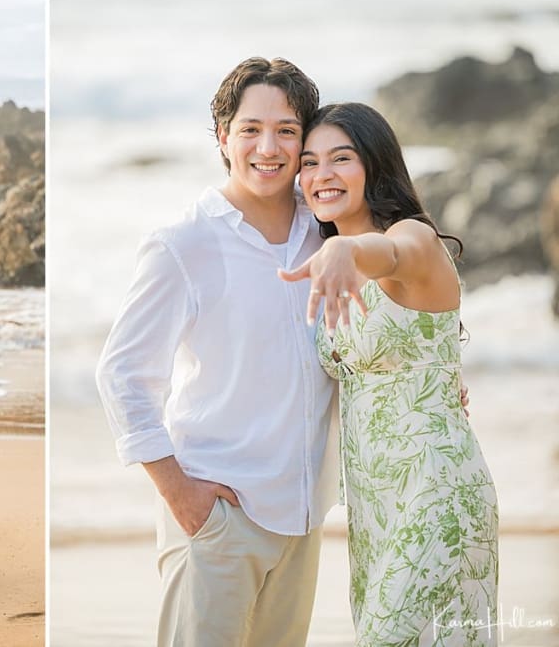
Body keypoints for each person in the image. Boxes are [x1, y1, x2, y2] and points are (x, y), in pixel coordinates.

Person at [96, 57, 340, 647]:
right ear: (222, 136)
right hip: (219, 516)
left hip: (304, 515)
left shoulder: (330, 234)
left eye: (287, 130)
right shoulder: (184, 243)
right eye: (250, 129)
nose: (268, 147)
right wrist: (180, 493)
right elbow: (122, 373)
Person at [279, 102, 498, 645]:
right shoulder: (320, 250)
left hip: (439, 490)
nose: (321, 174)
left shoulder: (414, 241)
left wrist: (347, 250)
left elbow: (393, 253)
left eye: (341, 158)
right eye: (308, 162)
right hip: (375, 506)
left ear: (375, 165)